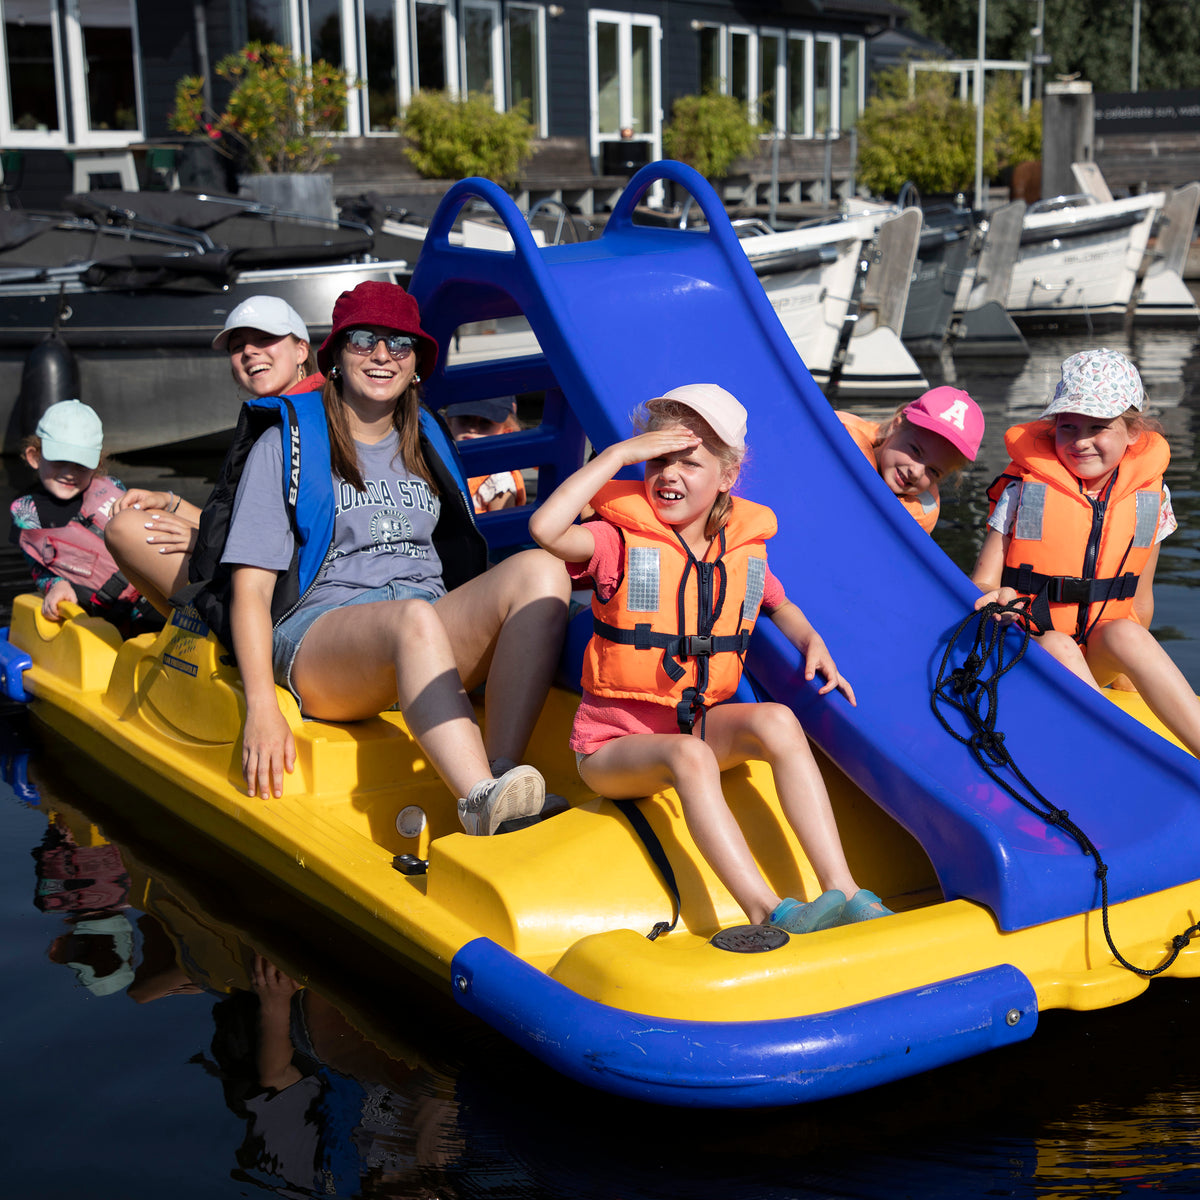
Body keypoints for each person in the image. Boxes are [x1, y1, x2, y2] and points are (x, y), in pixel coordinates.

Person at [193, 280, 569, 834]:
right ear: (336, 356)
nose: (381, 355)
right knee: (410, 620)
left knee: (542, 569)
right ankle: (479, 803)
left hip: (422, 628)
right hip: (322, 641)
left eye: (399, 345)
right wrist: (262, 709)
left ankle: (502, 771)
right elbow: (249, 590)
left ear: (416, 364)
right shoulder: (286, 442)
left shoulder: (429, 437)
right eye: (364, 340)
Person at [529, 383, 891, 931]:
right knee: (690, 758)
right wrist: (617, 456)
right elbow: (543, 529)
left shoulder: (736, 551)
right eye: (658, 459)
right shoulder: (615, 542)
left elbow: (778, 602)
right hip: (613, 749)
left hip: (696, 725)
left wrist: (811, 641)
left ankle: (842, 887)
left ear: (726, 477)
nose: (668, 474)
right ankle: (766, 909)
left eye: (689, 463)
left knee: (777, 719)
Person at [972, 347, 1200, 757]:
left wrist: (1129, 678)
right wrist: (996, 595)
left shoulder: (1152, 497)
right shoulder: (1022, 490)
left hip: (1095, 654)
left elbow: (1140, 601)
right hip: (1027, 649)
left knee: (1128, 632)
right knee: (1059, 644)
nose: (1081, 441)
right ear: (1053, 426)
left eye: (1098, 426)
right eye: (1068, 427)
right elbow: (983, 580)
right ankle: (1110, 755)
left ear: (1132, 432)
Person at [104, 295, 322, 617]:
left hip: (282, 593)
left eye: (264, 339)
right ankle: (184, 631)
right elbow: (252, 516)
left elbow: (301, 536)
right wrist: (172, 503)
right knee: (134, 520)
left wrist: (204, 544)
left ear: (301, 350)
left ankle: (199, 636)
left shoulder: (304, 421)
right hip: (263, 571)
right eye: (238, 347)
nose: (249, 351)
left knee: (124, 529)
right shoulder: (279, 414)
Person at [9, 399, 158, 631]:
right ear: (35, 457)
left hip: (156, 595)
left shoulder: (113, 487)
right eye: (60, 461)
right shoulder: (27, 513)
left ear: (96, 465)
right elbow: (39, 566)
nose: (69, 473)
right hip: (111, 619)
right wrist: (55, 585)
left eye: (80, 465)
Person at [837, 386, 984, 532]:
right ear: (894, 427)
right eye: (915, 450)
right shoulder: (837, 440)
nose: (916, 472)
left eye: (933, 471)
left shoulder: (915, 521)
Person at [442, 395, 528, 513]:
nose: (472, 428)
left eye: (485, 422)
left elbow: (502, 528)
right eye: (465, 418)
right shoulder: (439, 462)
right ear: (449, 423)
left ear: (506, 432)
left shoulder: (499, 480)